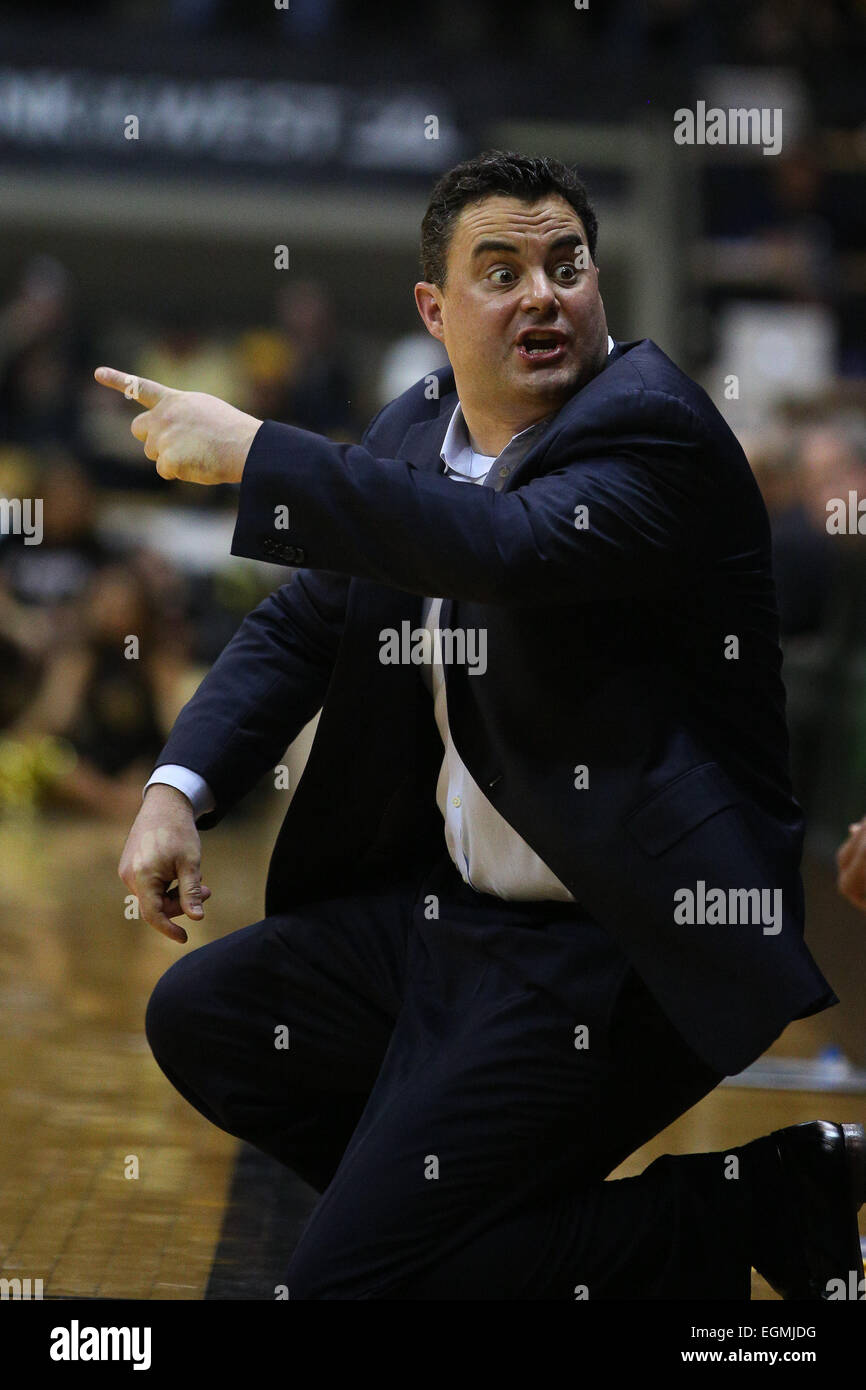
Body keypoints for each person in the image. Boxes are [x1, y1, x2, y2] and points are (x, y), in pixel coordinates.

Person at [94, 151, 863, 1301]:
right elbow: (304, 622)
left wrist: (258, 451)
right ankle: (468, 1230)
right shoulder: (416, 427)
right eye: (500, 273)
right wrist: (174, 790)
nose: (541, 294)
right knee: (210, 1015)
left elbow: (509, 548)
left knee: (355, 1286)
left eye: (566, 266)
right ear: (434, 310)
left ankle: (729, 1206)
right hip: (453, 920)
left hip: (618, 948)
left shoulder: (653, 429)